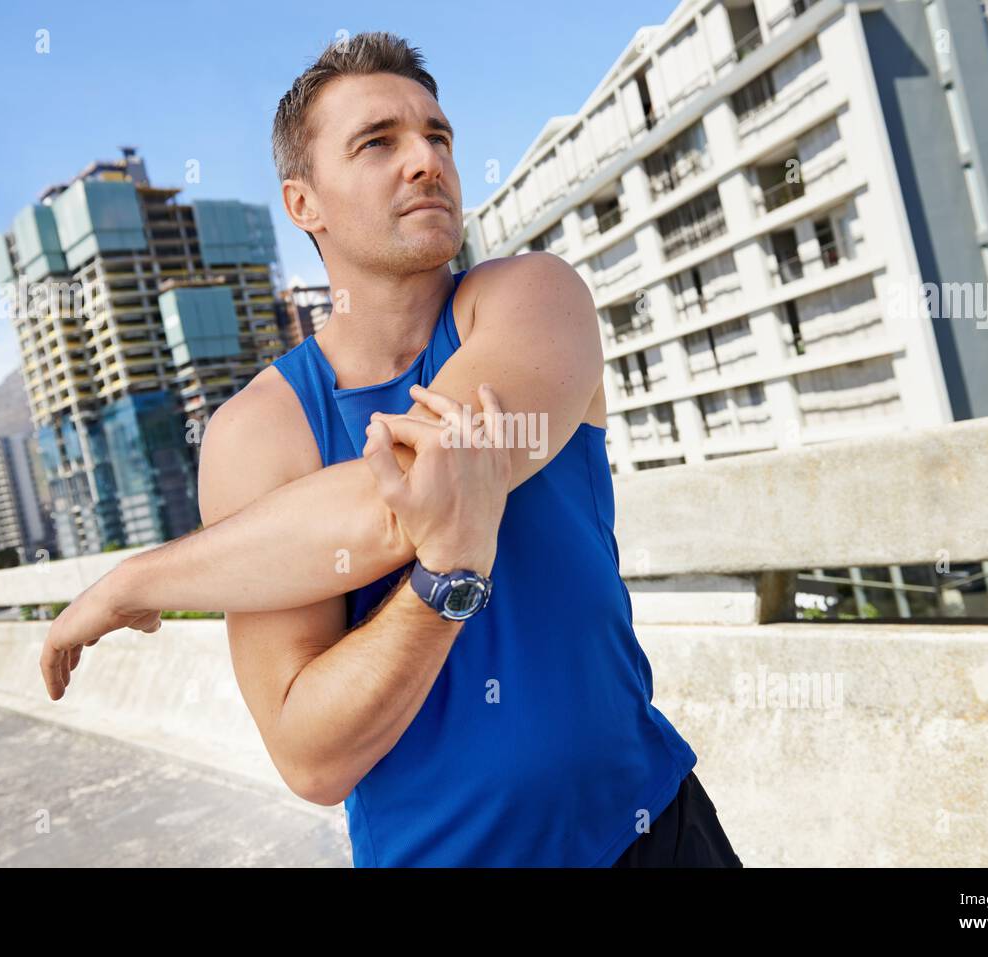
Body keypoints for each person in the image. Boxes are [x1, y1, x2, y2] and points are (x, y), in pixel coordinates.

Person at [39, 30, 741, 868]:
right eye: (379, 142)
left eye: (437, 135)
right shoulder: (256, 432)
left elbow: (408, 491)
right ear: (304, 204)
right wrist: (444, 582)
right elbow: (311, 753)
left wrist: (140, 578)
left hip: (655, 835)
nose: (425, 160)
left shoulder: (534, 298)